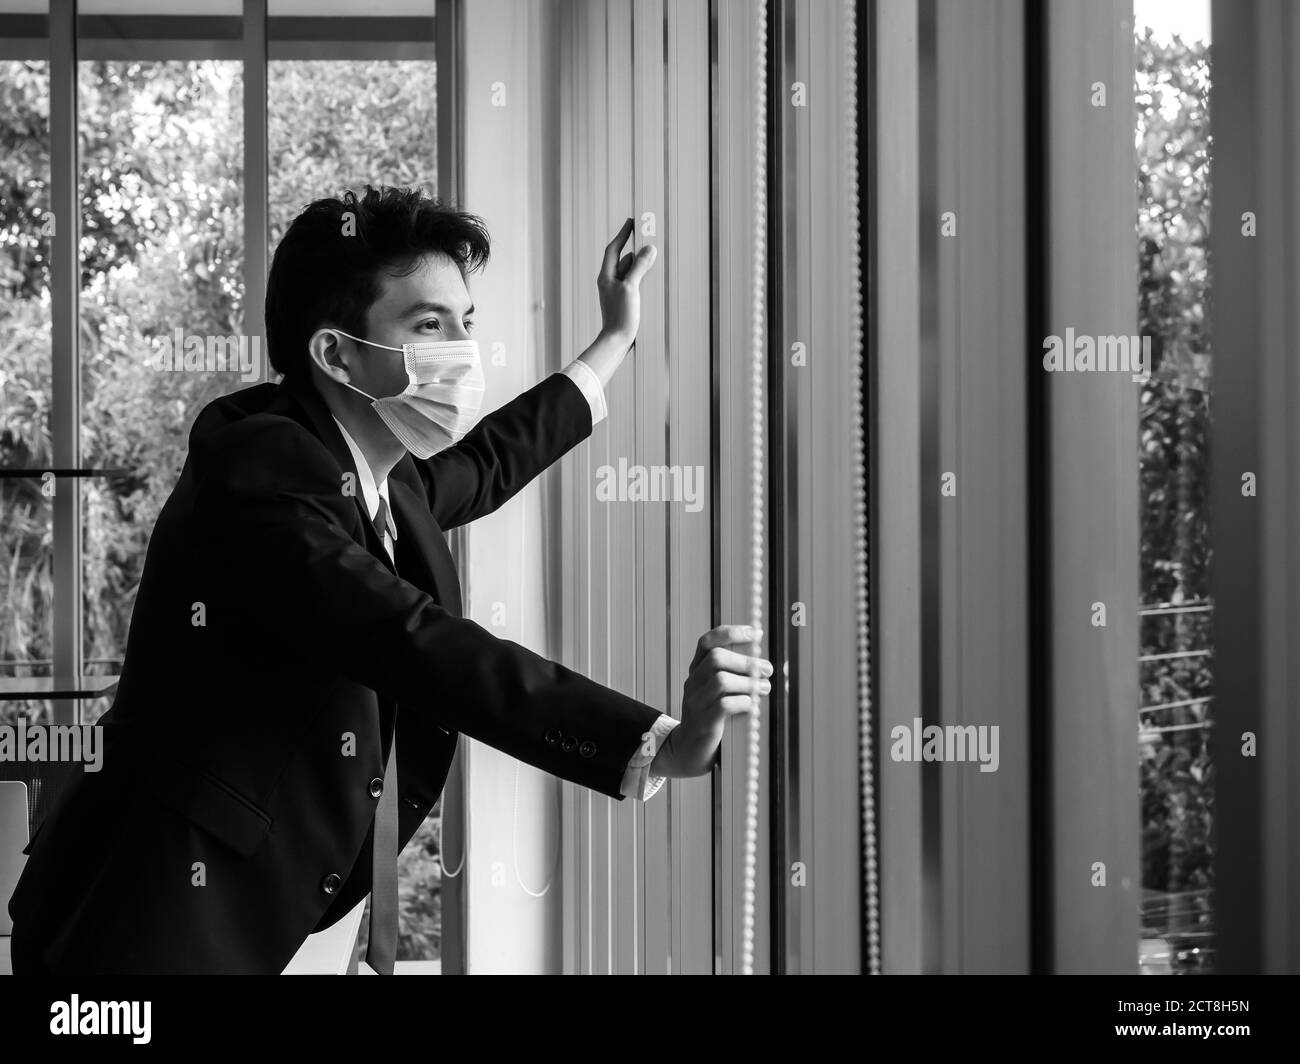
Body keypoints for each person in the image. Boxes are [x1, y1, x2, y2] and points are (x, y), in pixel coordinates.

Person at [6, 185, 771, 974]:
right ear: (336, 353)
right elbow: (411, 642)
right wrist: (655, 745)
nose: (463, 351)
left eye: (466, 323)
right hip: (151, 916)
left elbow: (488, 461)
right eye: (429, 325)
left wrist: (614, 337)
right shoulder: (261, 465)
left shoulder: (379, 477)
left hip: (280, 902)